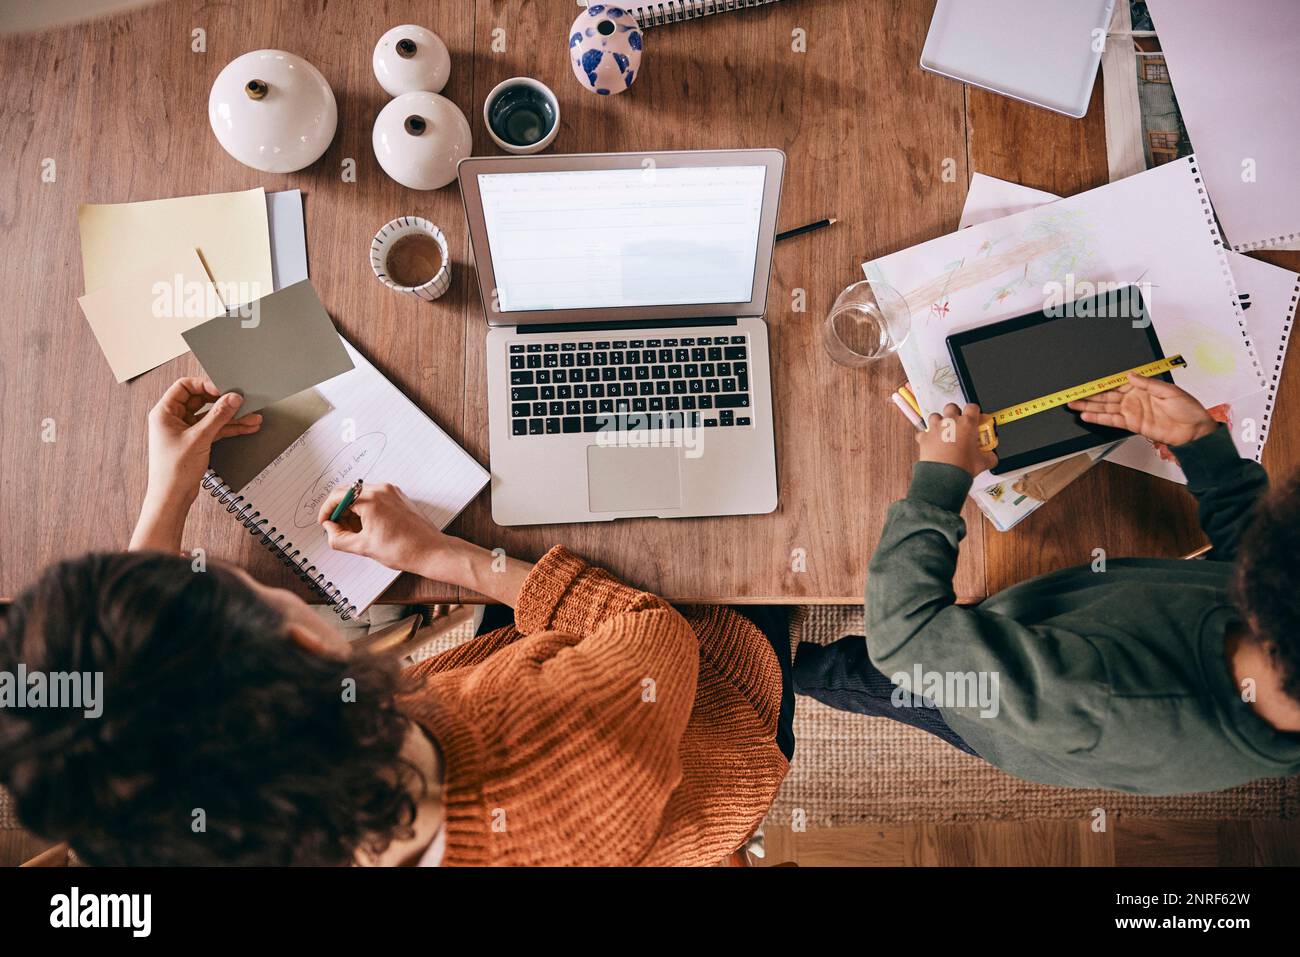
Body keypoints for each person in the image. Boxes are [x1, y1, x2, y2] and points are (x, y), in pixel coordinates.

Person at [0, 378, 792, 865]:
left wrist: (167, 492)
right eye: (233, 586)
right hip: (701, 708)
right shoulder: (565, 758)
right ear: (310, 640)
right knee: (754, 546)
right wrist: (438, 553)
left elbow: (141, 713)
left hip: (507, 688)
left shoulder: (209, 828)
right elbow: (653, 632)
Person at [794, 373, 1300, 794]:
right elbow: (1250, 555)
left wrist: (938, 482)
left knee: (873, 678)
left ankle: (794, 672)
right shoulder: (1279, 632)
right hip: (1062, 621)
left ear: (1265, 614)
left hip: (980, 707)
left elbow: (905, 638)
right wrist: (1202, 445)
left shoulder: (1104, 703)